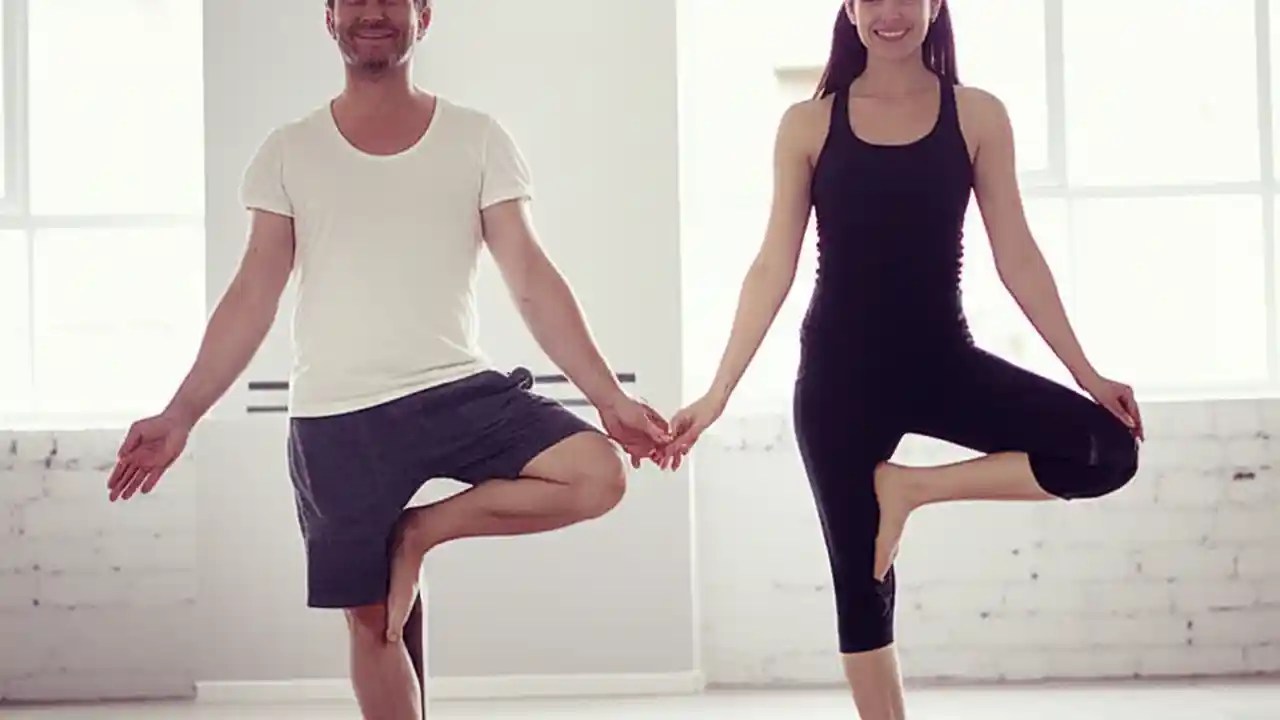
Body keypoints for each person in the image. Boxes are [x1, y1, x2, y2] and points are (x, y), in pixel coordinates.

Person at [104, 1, 670, 718]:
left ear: (422, 16)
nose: (374, 11)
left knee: (597, 474)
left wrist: (608, 399)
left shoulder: (477, 137)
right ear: (330, 18)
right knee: (377, 626)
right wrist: (182, 412)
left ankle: (417, 531)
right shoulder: (287, 150)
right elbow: (253, 292)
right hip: (338, 420)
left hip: (454, 390)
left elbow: (528, 274)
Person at [657, 1, 1143, 718]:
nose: (890, 12)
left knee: (1108, 451)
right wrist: (718, 392)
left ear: (935, 3)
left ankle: (911, 488)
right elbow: (771, 266)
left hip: (945, 363)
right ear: (849, 8)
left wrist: (1087, 374)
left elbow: (1018, 256)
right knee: (862, 590)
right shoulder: (809, 124)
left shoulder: (976, 116)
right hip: (838, 380)